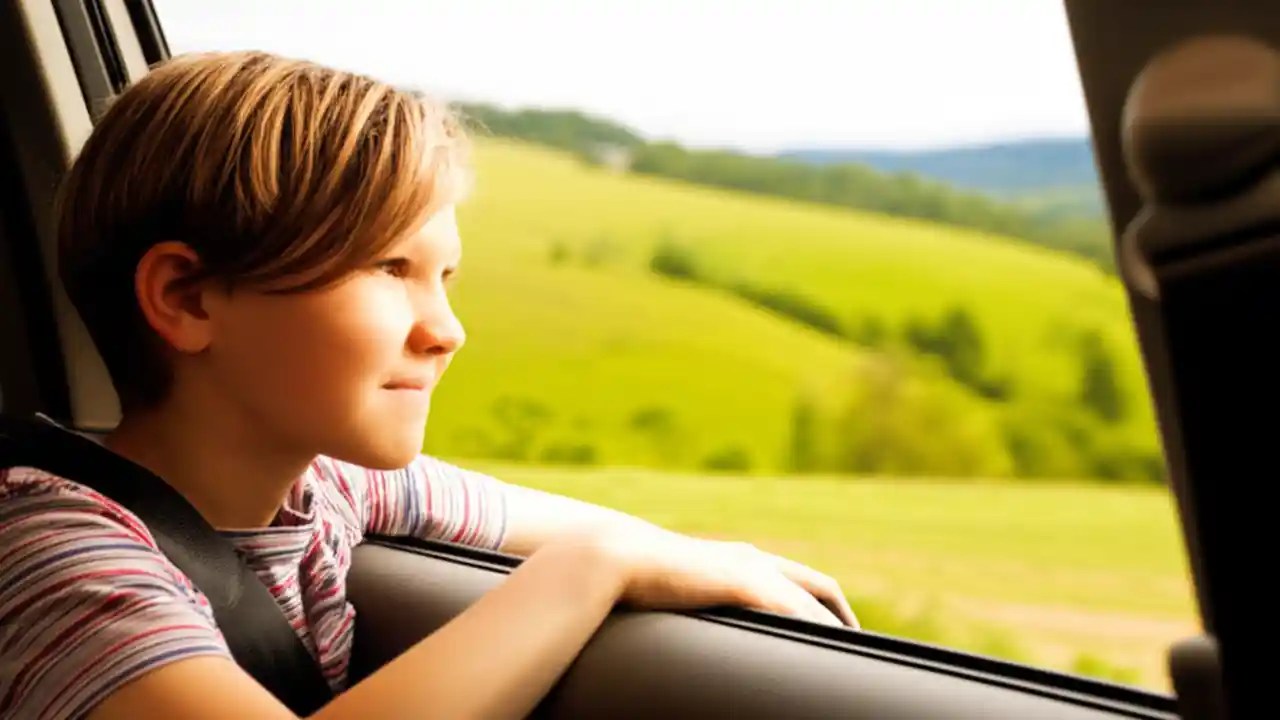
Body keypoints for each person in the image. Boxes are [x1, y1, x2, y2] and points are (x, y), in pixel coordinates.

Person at [0, 50, 856, 720]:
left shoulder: (326, 486)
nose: (447, 329)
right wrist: (591, 569)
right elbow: (598, 545)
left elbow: (567, 523)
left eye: (445, 276)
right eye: (388, 267)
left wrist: (691, 557)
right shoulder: (56, 556)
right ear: (186, 299)